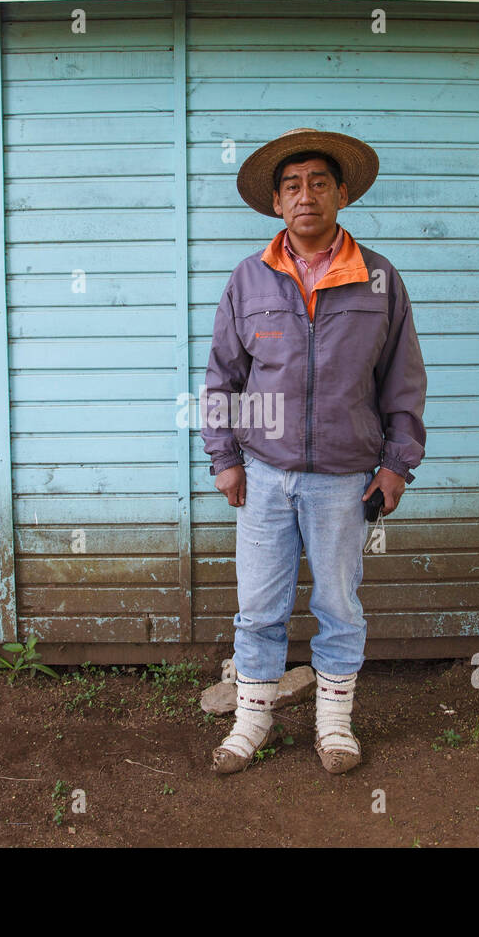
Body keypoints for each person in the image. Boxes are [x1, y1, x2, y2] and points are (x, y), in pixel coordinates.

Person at [200, 127, 427, 775]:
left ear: (342, 194)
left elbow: (403, 379)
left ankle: (334, 727)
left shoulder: (379, 280)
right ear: (277, 202)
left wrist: (395, 463)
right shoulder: (249, 281)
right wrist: (224, 458)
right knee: (260, 609)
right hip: (264, 477)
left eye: (319, 183)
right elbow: (222, 378)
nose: (306, 196)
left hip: (342, 479)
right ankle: (251, 724)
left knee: (338, 605)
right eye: (293, 185)